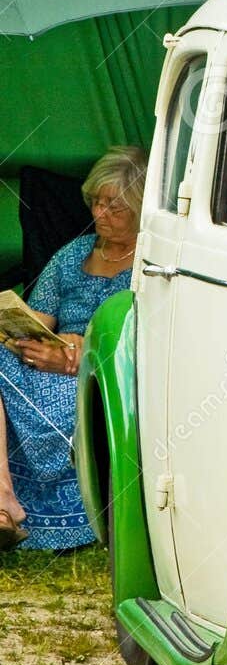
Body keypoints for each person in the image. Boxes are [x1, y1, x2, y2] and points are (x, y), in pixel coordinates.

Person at [0, 146, 147, 551]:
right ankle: (5, 497)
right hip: (49, 362)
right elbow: (37, 319)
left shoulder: (151, 266)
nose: (101, 213)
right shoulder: (72, 255)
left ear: (141, 208)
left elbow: (148, 340)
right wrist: (27, 336)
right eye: (96, 202)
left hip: (106, 375)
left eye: (114, 206)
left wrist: (81, 358)